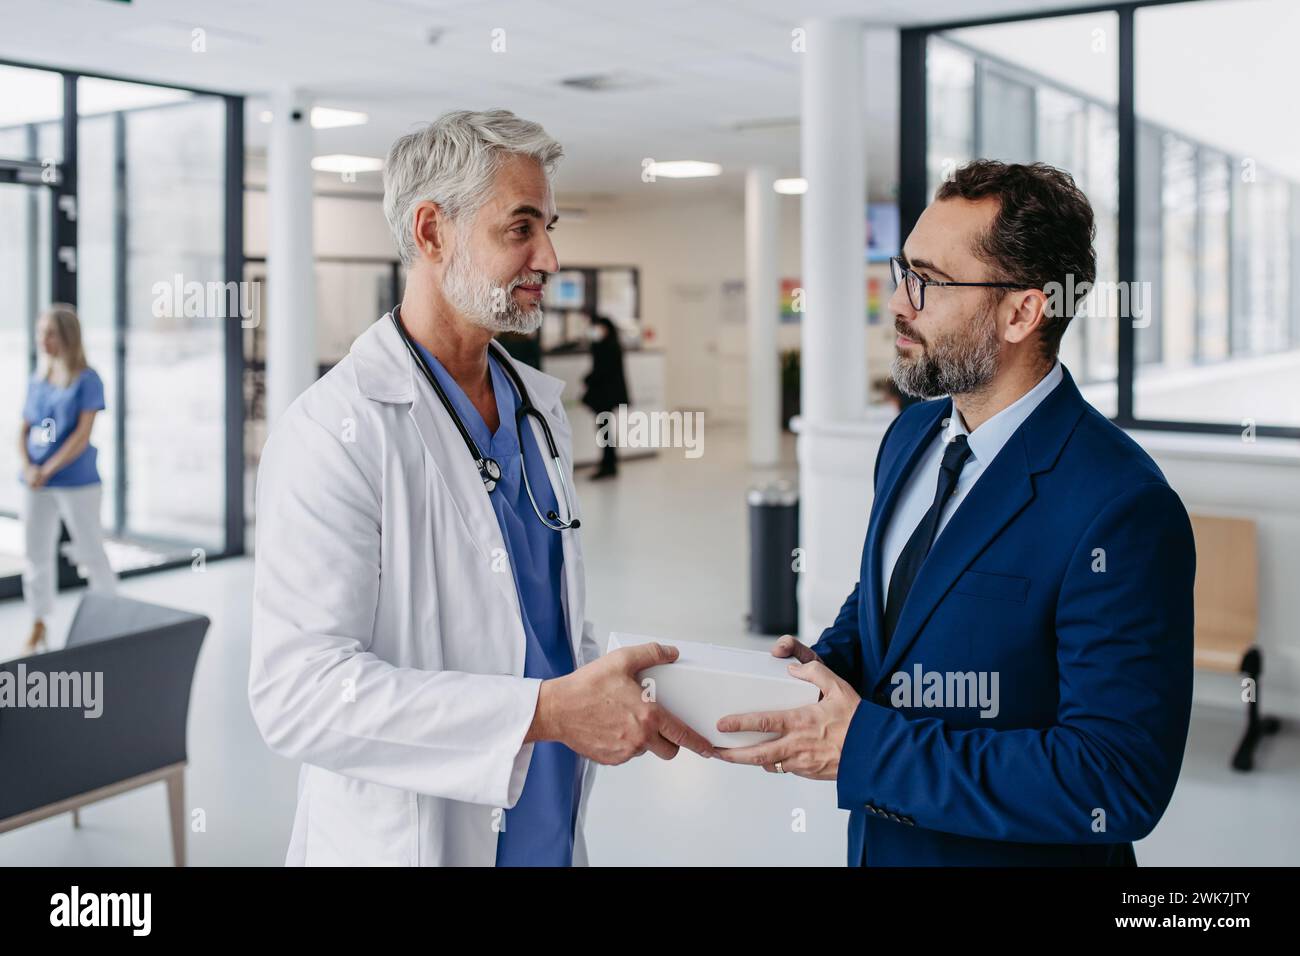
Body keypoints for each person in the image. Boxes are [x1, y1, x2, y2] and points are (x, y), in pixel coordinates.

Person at [248, 109, 713, 868]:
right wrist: (546, 712)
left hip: (547, 826)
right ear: (432, 233)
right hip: (416, 839)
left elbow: (542, 622)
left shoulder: (538, 413)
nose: (551, 258)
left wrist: (626, 694)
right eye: (520, 228)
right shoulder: (334, 431)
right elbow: (298, 697)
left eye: (550, 227)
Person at [715, 160, 1196, 867]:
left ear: (1023, 312)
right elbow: (893, 601)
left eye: (930, 283)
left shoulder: (1121, 507)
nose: (899, 304)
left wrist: (865, 747)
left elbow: (1114, 778)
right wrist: (821, 665)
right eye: (902, 271)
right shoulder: (910, 436)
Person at [18, 303, 118, 654]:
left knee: (90, 551)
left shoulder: (88, 380)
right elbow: (24, 428)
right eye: (40, 332)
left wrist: (48, 469)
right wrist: (29, 466)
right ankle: (39, 623)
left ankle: (110, 620)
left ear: (67, 337)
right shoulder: (38, 380)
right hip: (36, 482)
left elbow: (81, 436)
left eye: (50, 333)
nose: (42, 340)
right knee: (36, 554)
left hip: (77, 482)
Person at [581, 315, 630, 479]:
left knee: (605, 431)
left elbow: (602, 372)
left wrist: (587, 379)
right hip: (606, 396)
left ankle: (608, 465)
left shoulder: (607, 347)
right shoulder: (610, 345)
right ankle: (609, 464)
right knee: (606, 431)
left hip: (605, 397)